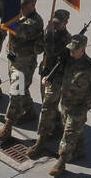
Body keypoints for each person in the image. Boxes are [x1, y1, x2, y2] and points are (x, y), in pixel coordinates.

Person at [49, 35, 91, 178]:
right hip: (66, 102)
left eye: (75, 50)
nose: (71, 52)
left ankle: (61, 162)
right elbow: (60, 74)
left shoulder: (90, 67)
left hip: (80, 105)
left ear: (83, 49)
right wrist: (49, 79)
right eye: (70, 50)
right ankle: (79, 149)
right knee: (72, 129)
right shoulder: (67, 60)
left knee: (68, 133)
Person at [0, 0, 45, 144]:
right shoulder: (19, 15)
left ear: (33, 5)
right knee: (20, 89)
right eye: (21, 5)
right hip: (14, 60)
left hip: (25, 65)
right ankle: (30, 112)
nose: (22, 8)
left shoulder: (35, 22)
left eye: (25, 5)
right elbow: (1, 26)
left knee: (15, 94)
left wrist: (10, 14)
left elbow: (17, 30)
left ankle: (7, 127)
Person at [27, 10, 71, 160]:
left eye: (58, 23)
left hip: (57, 77)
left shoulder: (67, 39)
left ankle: (41, 141)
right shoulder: (49, 32)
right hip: (46, 73)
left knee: (46, 108)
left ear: (66, 23)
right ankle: (57, 125)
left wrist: (50, 35)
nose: (56, 25)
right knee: (48, 104)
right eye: (54, 22)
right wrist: (45, 35)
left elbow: (52, 52)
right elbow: (39, 49)